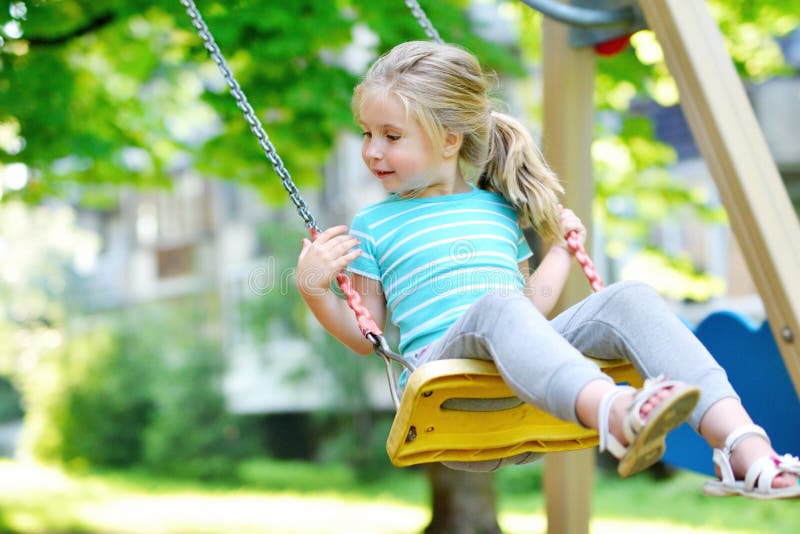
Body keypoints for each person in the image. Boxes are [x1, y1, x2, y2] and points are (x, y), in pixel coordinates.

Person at [296, 40, 800, 498]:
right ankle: (615, 413)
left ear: (450, 140)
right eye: (367, 134)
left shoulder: (496, 209)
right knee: (496, 306)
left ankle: (744, 450)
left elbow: (531, 310)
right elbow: (368, 335)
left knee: (632, 296)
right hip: (450, 391)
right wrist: (316, 289)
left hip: (534, 390)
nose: (372, 151)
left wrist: (560, 251)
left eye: (390, 135)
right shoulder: (373, 224)